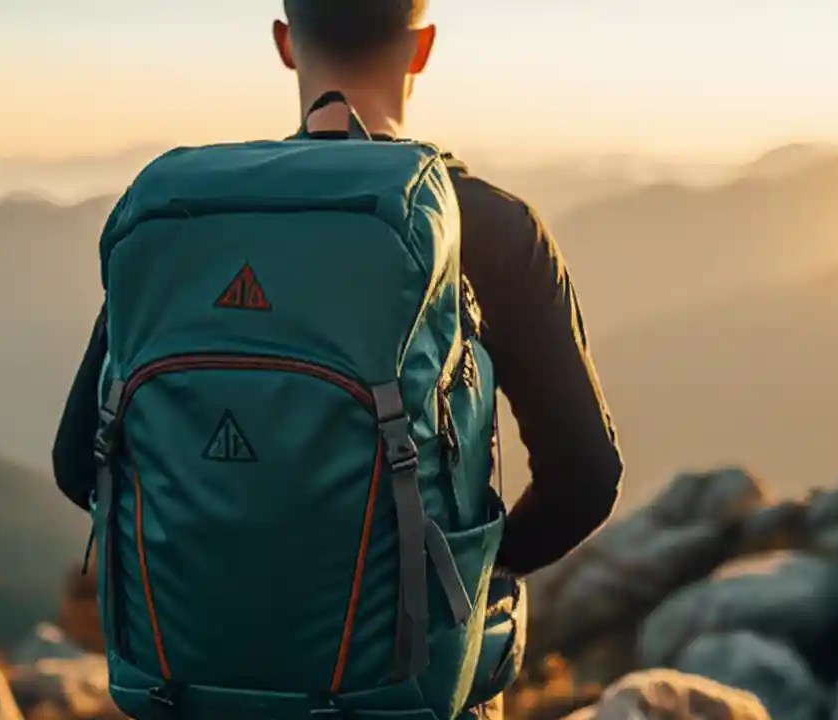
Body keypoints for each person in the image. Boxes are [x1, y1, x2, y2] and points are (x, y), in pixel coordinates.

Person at [52, 2, 623, 717]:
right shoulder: (486, 226)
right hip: (404, 685)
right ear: (422, 48)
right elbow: (586, 478)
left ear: (286, 43)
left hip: (194, 692)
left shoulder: (192, 225)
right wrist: (456, 570)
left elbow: (80, 463)